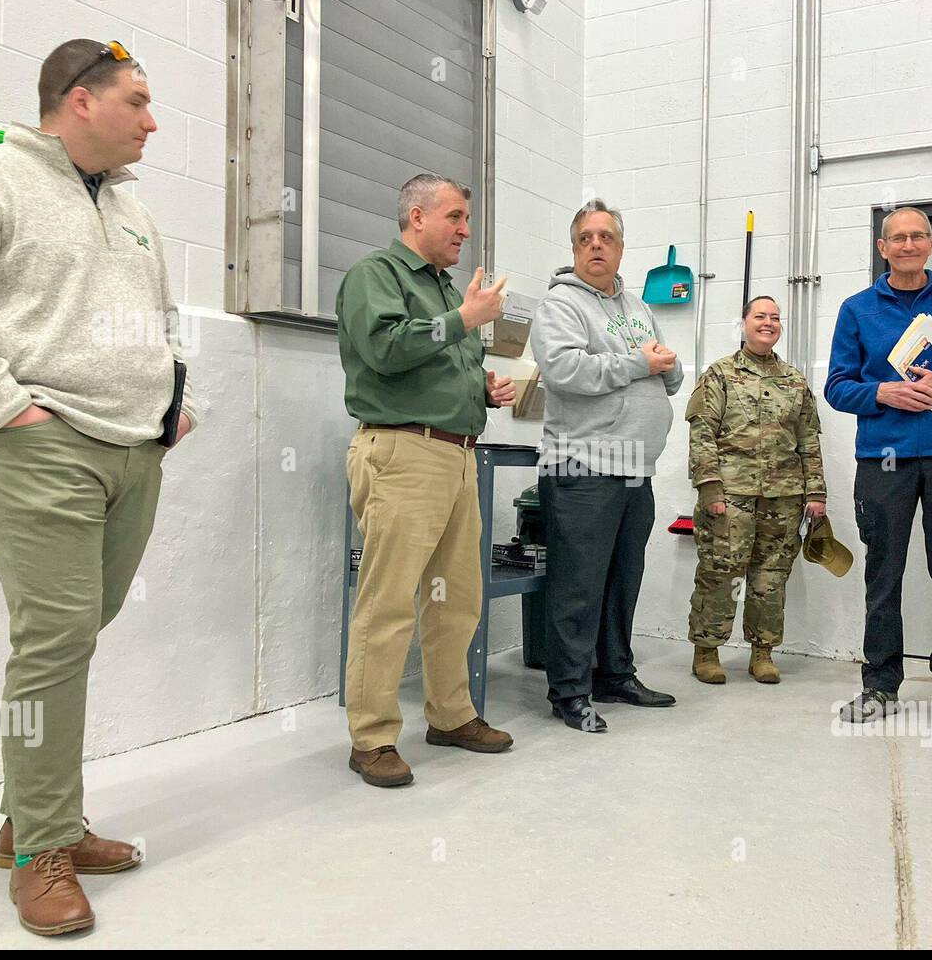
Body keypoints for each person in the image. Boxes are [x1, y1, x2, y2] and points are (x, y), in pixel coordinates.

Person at [0, 40, 197, 935]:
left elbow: (165, 320)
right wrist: (8, 409)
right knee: (54, 639)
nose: (154, 119)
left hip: (133, 451)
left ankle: (31, 817)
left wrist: (176, 396)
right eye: (138, 100)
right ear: (79, 102)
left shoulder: (133, 212)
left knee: (79, 631)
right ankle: (42, 850)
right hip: (35, 445)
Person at [337, 173, 518, 787]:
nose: (466, 231)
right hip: (402, 454)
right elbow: (386, 350)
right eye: (456, 218)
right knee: (387, 604)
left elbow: (433, 365)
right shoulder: (375, 276)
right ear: (417, 217)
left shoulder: (444, 288)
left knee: (456, 599)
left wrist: (484, 389)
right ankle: (371, 738)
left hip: (457, 456)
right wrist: (465, 318)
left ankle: (451, 714)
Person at [824, 206, 932, 734]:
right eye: (896, 238)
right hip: (883, 461)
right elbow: (837, 386)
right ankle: (879, 684)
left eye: (916, 236)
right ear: (882, 248)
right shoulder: (857, 309)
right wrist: (880, 392)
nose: (906, 244)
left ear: (931, 243)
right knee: (884, 575)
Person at [530, 199, 684, 732]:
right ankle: (570, 691)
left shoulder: (638, 307)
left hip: (633, 466)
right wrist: (643, 363)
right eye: (586, 238)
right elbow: (565, 369)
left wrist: (665, 366)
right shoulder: (560, 305)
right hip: (583, 464)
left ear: (620, 248)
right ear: (575, 248)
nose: (597, 245)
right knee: (578, 585)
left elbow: (670, 370)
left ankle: (614, 674)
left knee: (623, 579)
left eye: (606, 237)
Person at [685, 296, 827, 684]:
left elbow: (808, 440)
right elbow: (701, 434)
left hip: (784, 497)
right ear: (744, 323)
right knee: (720, 572)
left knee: (771, 575)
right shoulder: (720, 374)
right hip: (730, 495)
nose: (769, 323)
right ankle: (707, 651)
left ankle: (762, 652)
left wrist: (816, 492)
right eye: (760, 316)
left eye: (775, 317)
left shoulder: (794, 380)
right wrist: (710, 488)